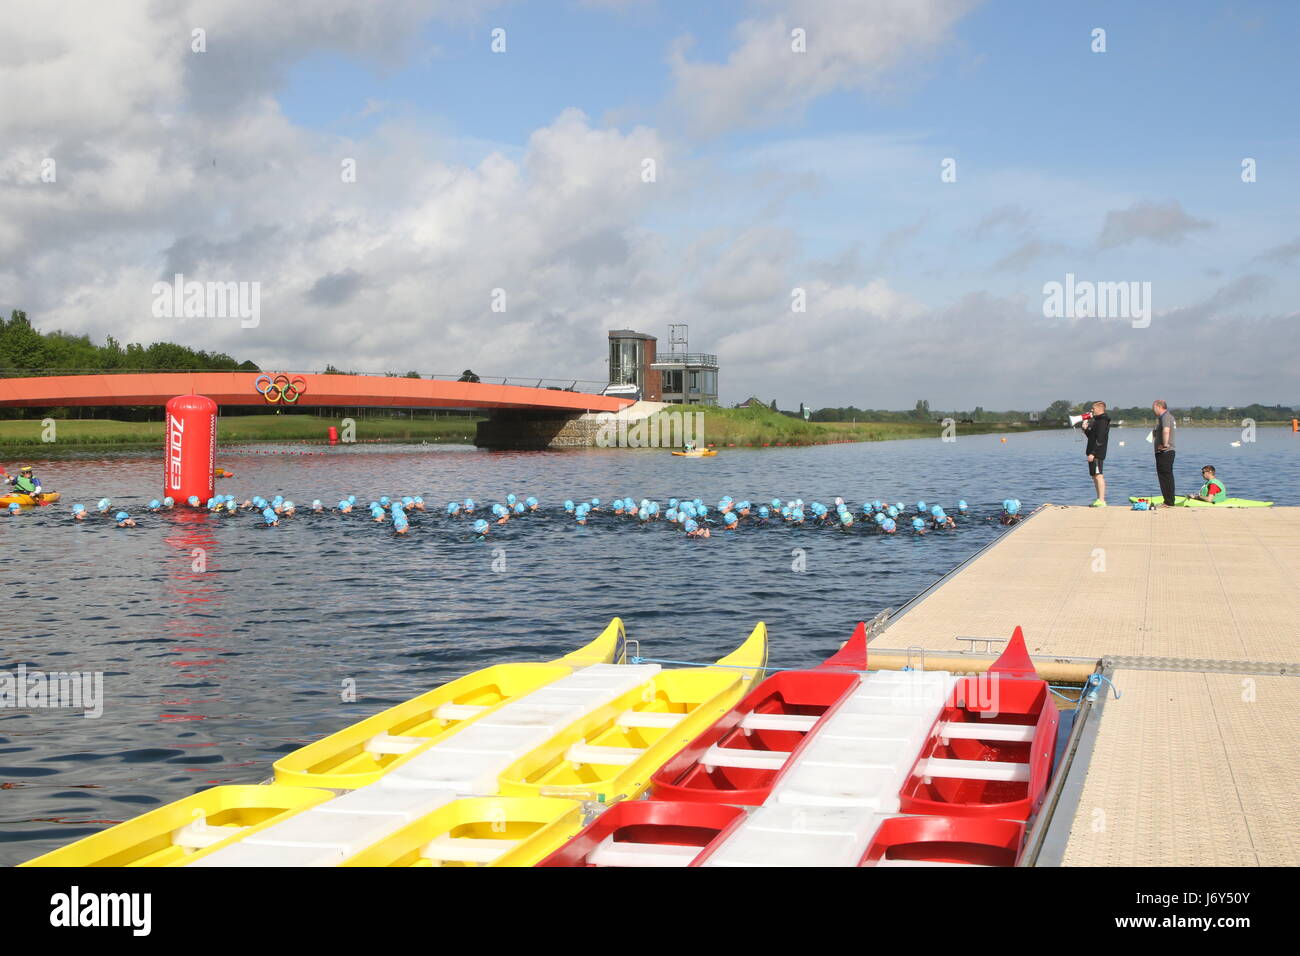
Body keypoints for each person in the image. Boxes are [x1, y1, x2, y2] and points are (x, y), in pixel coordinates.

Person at [1081, 401, 1111, 506]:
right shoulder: (1096, 421)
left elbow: (1100, 438)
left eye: (1093, 408)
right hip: (1092, 452)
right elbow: (1092, 437)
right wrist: (1085, 430)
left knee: (1098, 475)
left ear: (1100, 408)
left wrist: (1093, 453)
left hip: (1097, 453)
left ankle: (1102, 500)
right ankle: (1099, 499)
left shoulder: (1102, 421)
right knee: (1094, 475)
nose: (1092, 410)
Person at [1151, 399, 1177, 506]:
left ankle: (1169, 501)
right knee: (1165, 476)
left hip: (1165, 451)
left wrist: (1165, 444)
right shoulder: (1166, 417)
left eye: (1154, 407)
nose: (1153, 410)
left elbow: (1166, 430)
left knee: (1165, 476)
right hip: (1164, 451)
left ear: (1159, 406)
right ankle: (1168, 500)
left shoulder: (1165, 416)